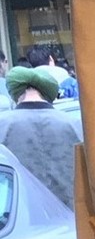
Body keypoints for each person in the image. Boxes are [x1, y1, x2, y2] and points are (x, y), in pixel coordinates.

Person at [0, 66, 80, 204]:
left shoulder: (3, 124)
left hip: (20, 221)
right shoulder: (74, 124)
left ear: (16, 94)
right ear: (48, 93)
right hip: (73, 219)